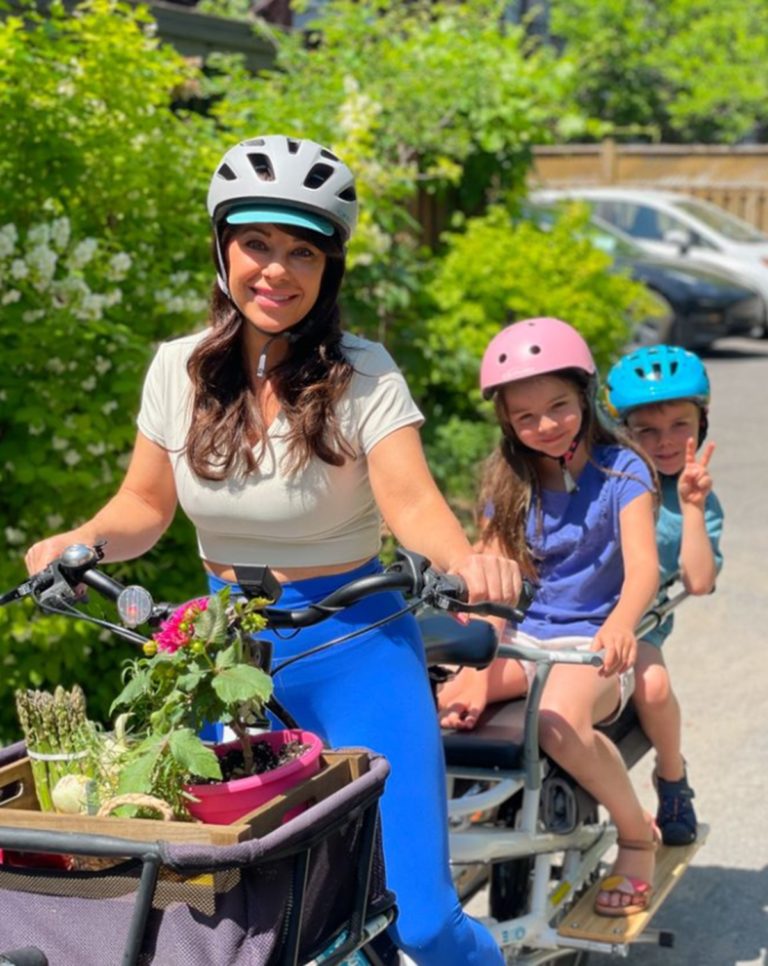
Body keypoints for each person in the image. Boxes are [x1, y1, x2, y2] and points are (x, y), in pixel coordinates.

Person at [24, 135, 522, 965]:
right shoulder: (177, 370)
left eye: (303, 251)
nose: (276, 271)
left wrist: (466, 561)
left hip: (355, 642)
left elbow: (414, 507)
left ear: (330, 270)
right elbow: (142, 508)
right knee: (234, 920)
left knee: (423, 921)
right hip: (214, 651)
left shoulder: (364, 375)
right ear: (223, 247)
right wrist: (78, 542)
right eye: (257, 243)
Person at [437, 317, 661, 918]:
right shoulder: (509, 479)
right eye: (525, 417)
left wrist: (620, 625)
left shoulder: (623, 472)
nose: (544, 426)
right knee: (446, 700)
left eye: (558, 406)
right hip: (527, 639)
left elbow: (643, 568)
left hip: (591, 644)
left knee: (559, 722)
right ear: (507, 421)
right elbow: (492, 569)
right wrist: (476, 652)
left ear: (584, 395)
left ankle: (638, 834)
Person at [605, 344, 723, 847]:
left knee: (651, 685)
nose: (666, 441)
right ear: (624, 432)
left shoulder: (694, 493)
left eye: (681, 425)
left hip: (640, 625)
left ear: (702, 423)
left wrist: (693, 507)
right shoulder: (604, 478)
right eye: (647, 430)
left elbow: (698, 581)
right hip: (571, 615)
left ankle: (673, 779)